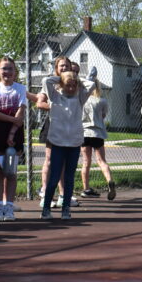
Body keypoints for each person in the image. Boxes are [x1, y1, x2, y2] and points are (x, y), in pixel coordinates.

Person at [36, 70, 91, 220]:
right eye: (68, 85)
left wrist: (77, 79)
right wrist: (61, 78)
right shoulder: (55, 97)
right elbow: (46, 81)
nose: (71, 88)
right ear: (61, 85)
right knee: (54, 177)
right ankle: (46, 208)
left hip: (73, 143)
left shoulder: (79, 98)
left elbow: (91, 84)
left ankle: (66, 208)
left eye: (74, 85)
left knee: (69, 178)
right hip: (58, 142)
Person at [0, 57, 29, 222]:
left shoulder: (20, 89)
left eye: (10, 68)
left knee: (10, 172)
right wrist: (12, 120)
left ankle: (9, 207)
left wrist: (12, 134)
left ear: (15, 72)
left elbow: (21, 112)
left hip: (14, 136)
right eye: (4, 68)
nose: (7, 72)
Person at [38, 56, 73, 208]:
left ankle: (63, 195)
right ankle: (46, 194)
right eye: (61, 66)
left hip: (69, 126)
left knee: (65, 162)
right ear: (56, 69)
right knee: (50, 160)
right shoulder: (51, 84)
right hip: (53, 124)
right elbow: (40, 103)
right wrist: (55, 106)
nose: (64, 68)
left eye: (66, 66)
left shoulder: (74, 84)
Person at [80, 77, 116, 201]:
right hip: (98, 133)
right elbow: (103, 115)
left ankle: (86, 188)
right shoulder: (102, 100)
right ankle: (109, 180)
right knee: (101, 160)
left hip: (84, 132)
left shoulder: (81, 100)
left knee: (86, 162)